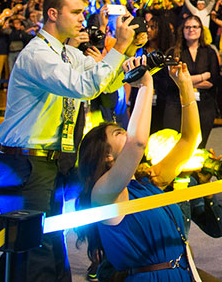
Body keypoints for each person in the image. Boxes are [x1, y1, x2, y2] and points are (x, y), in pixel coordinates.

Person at [0, 0, 136, 281]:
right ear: (53, 14)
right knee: (38, 247)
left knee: (45, 243)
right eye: (76, 12)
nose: (83, 18)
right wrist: (118, 49)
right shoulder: (37, 55)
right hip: (28, 163)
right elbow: (83, 87)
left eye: (83, 12)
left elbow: (106, 83)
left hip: (52, 161)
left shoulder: (69, 53)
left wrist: (133, 60)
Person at [77, 57, 201, 281]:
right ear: (106, 155)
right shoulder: (105, 194)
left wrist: (185, 86)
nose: (128, 132)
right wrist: (145, 84)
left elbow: (189, 140)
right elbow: (137, 143)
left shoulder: (147, 181)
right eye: (119, 133)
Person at [174, 14, 220, 148]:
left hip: (205, 105)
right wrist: (202, 76)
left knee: (201, 144)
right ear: (182, 30)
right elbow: (174, 81)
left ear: (201, 30)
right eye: (187, 27)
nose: (191, 30)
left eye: (195, 27)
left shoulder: (209, 52)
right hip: (180, 105)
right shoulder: (176, 52)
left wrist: (185, 81)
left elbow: (212, 80)